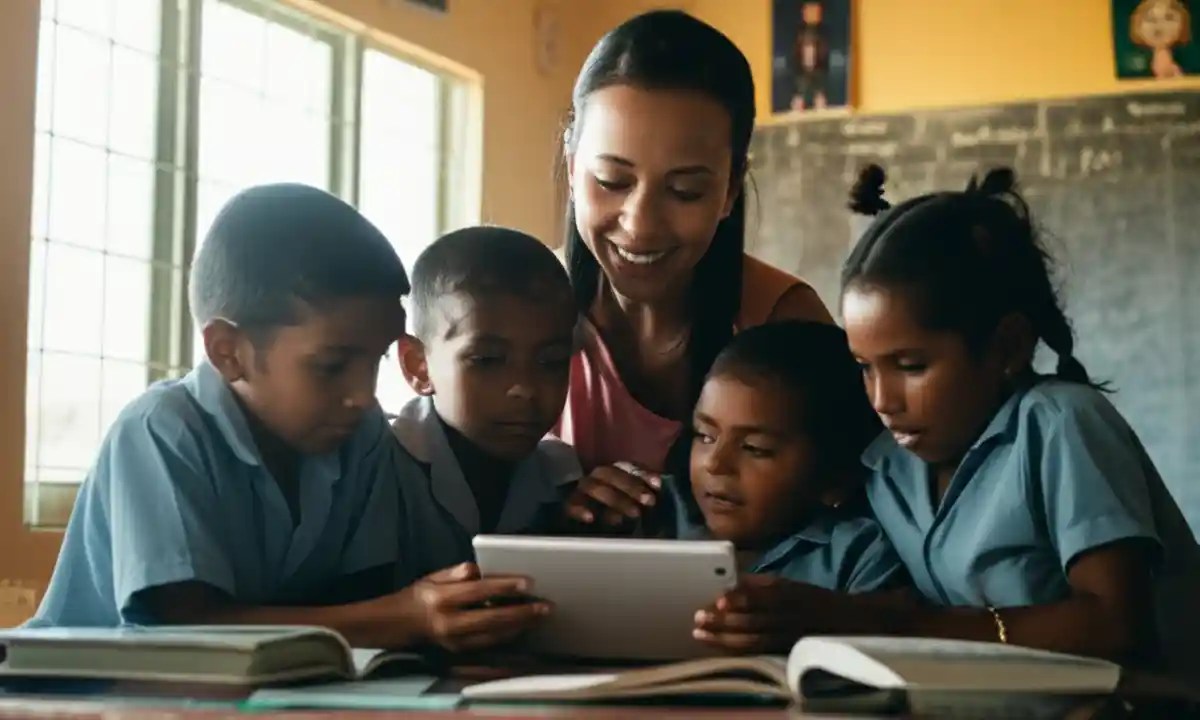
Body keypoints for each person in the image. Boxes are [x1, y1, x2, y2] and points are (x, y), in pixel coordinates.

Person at [28, 185, 530, 651]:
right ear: (229, 353)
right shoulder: (162, 430)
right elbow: (181, 632)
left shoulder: (363, 436)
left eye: (373, 363)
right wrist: (409, 617)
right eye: (331, 366)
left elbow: (362, 598)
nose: (362, 396)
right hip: (87, 697)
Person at [839, 165, 1200, 720]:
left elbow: (1114, 624)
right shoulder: (889, 466)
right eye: (865, 368)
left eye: (911, 366)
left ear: (1009, 345)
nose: (882, 399)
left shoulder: (1061, 423)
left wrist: (906, 625)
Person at [557, 9, 832, 528]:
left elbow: (841, 521)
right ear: (573, 168)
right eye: (612, 181)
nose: (640, 225)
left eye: (685, 190)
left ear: (729, 191)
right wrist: (554, 507)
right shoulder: (521, 311)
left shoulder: (784, 321)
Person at [646, 322, 902, 653]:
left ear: (834, 478)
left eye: (755, 448)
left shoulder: (858, 555)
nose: (715, 464)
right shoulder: (652, 510)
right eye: (706, 436)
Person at [387, 226, 582, 650]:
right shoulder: (378, 468)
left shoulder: (566, 481)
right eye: (488, 360)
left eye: (551, 362)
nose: (525, 388)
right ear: (418, 365)